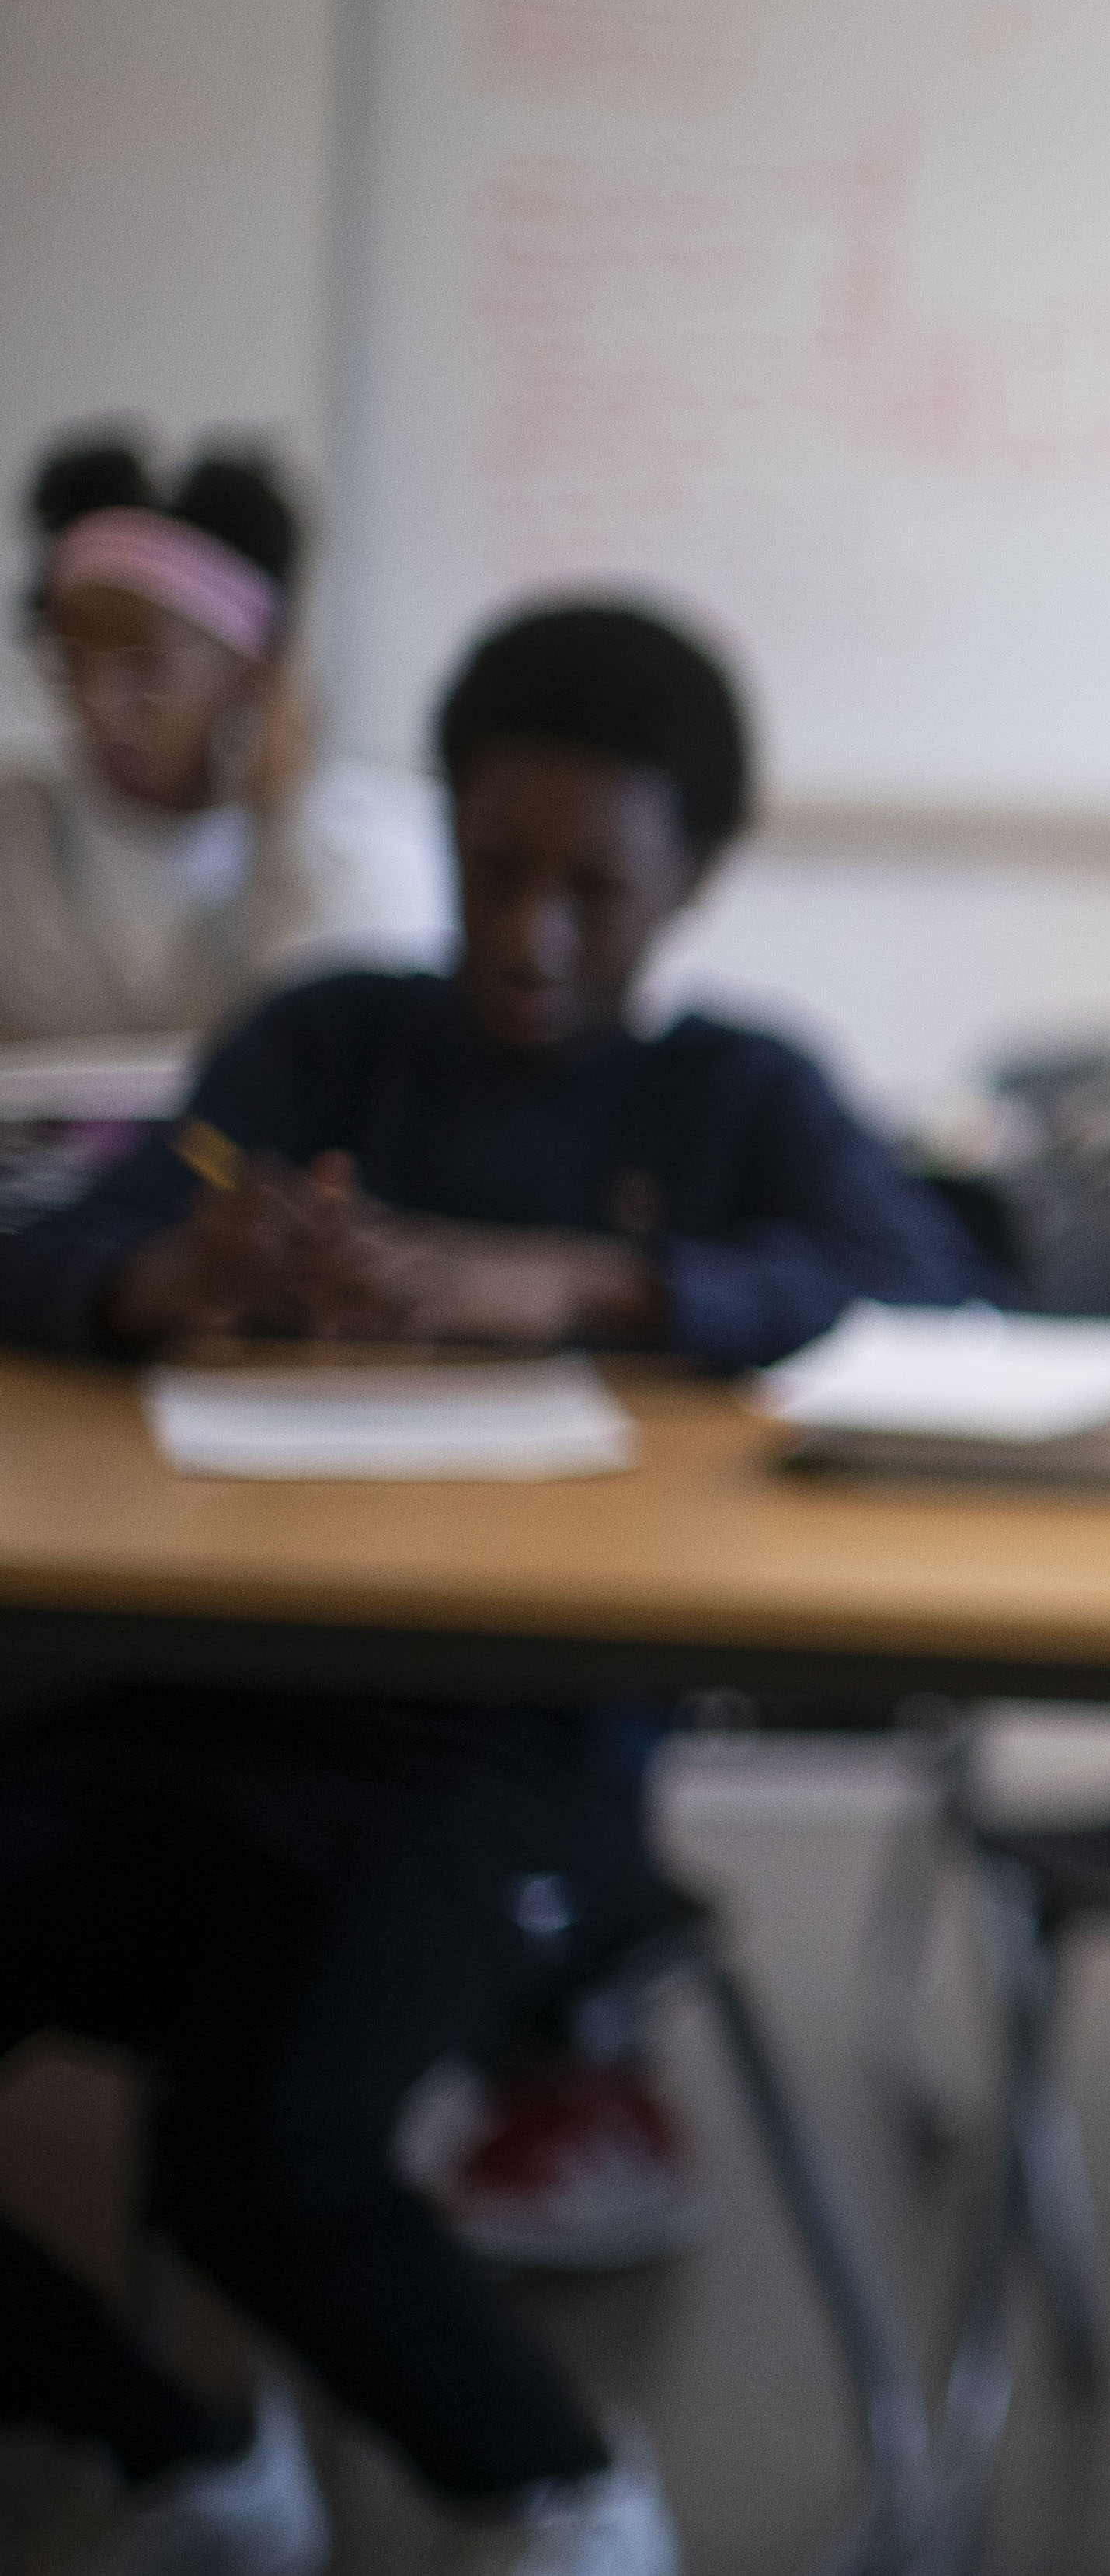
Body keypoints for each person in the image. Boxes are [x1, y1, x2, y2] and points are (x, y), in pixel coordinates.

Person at [0, 599, 993, 2573]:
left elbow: (936, 1300)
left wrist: (587, 1281)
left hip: (502, 1758)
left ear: (692, 881)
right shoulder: (323, 1039)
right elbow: (56, 1251)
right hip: (191, 1707)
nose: (532, 935)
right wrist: (168, 1277)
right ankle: (172, 2449)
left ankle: (553, 2488)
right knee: (227, 2116)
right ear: (437, 829)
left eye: (594, 889)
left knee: (255, 2152)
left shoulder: (738, 1095)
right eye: (493, 867)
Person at [4, 429, 445, 1045]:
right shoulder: (18, 836)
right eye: (72, 655)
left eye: (145, 663)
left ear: (255, 668)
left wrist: (284, 820)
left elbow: (317, 1045)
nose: (96, 702)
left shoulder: (368, 853)